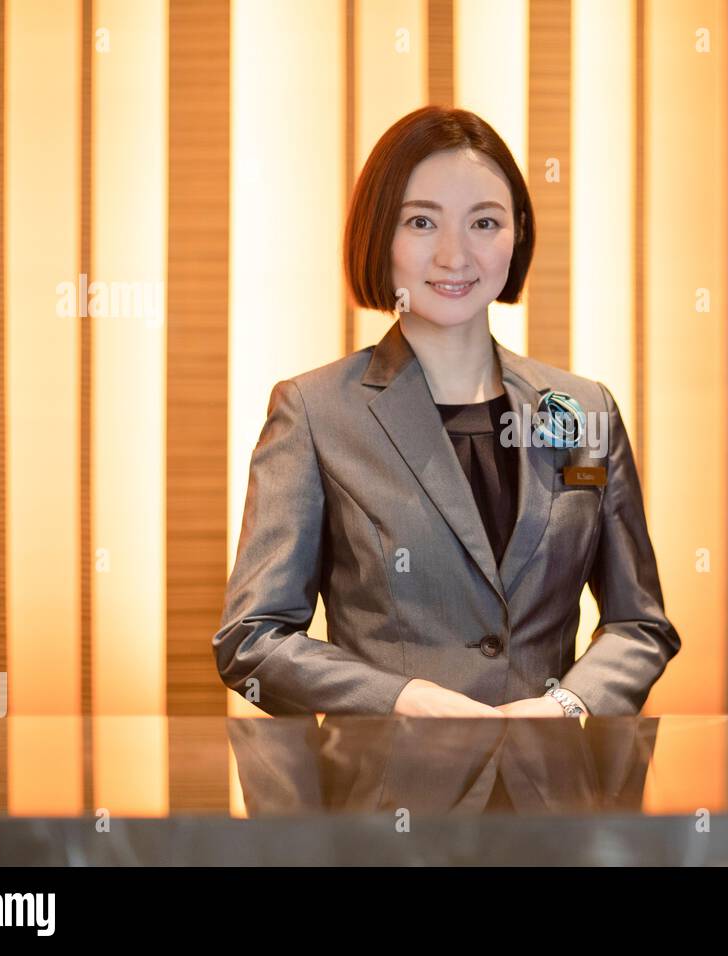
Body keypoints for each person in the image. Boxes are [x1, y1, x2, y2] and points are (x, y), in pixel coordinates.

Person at [213, 106, 680, 718]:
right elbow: (253, 640)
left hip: (551, 795)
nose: (456, 255)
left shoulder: (586, 407)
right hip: (390, 793)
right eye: (422, 222)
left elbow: (639, 623)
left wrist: (569, 705)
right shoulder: (313, 412)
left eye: (484, 222)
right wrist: (402, 699)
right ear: (381, 234)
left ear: (517, 233)